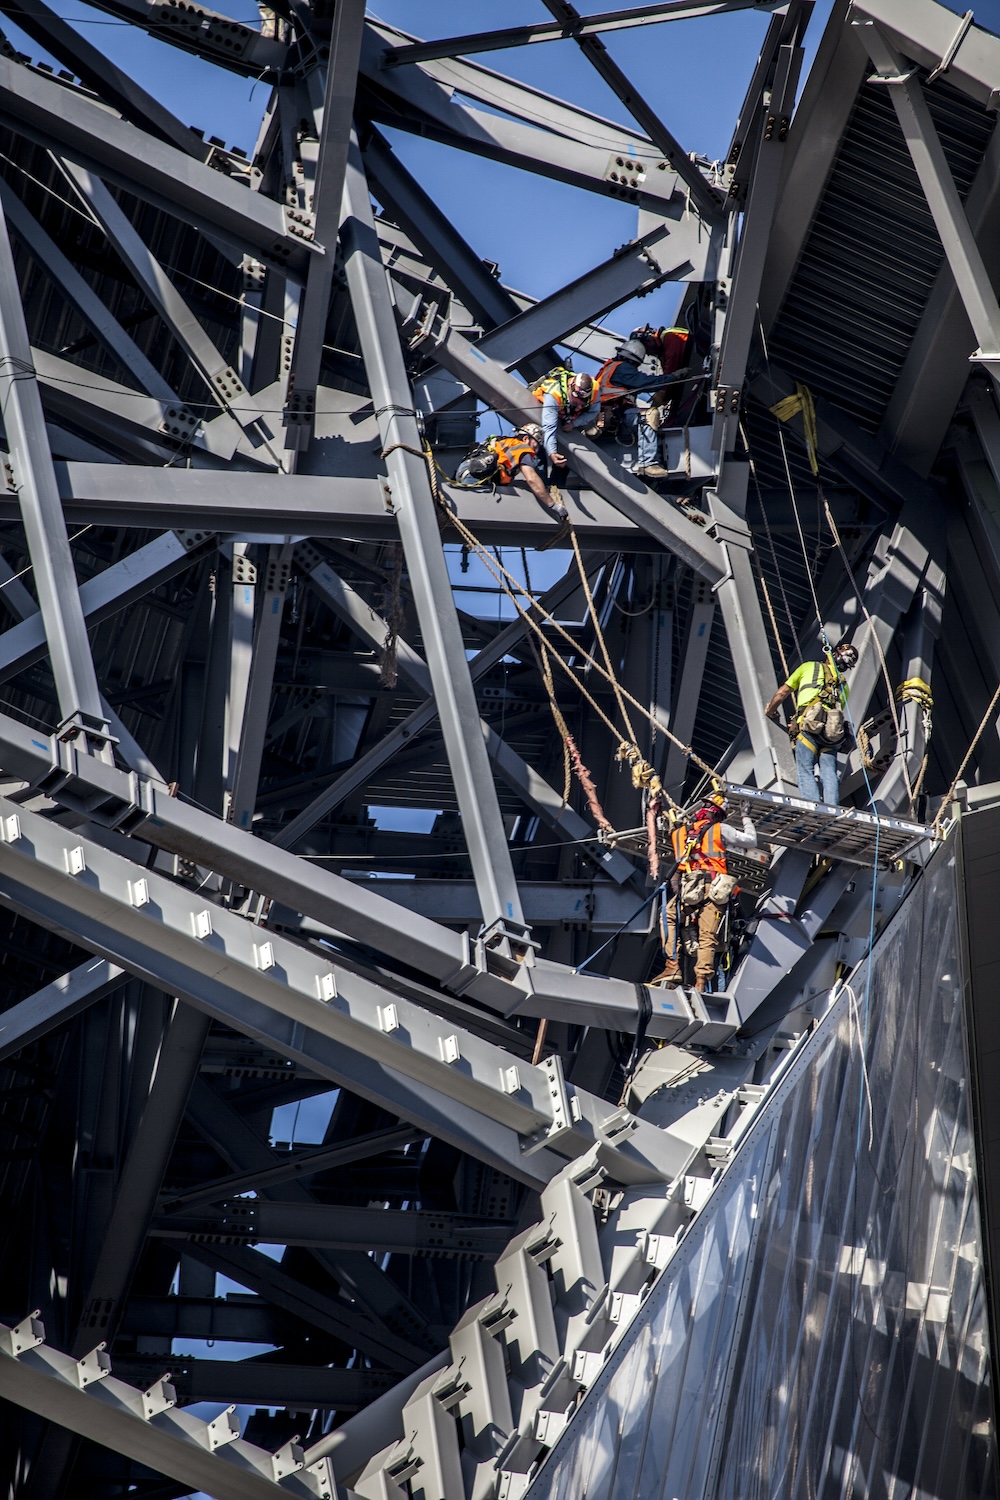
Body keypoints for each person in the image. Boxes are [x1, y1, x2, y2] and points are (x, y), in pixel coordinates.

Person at [652, 793, 758, 992]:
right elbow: (751, 841)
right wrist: (745, 817)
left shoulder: (680, 833)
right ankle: (700, 982)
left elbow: (679, 867)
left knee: (668, 915)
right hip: (713, 887)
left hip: (689, 888)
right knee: (708, 935)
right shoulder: (720, 829)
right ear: (718, 814)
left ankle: (672, 966)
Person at [764, 642, 860, 805]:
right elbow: (833, 711)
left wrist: (770, 710)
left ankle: (813, 805)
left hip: (809, 727)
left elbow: (782, 693)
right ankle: (832, 807)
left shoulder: (808, 667)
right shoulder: (844, 686)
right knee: (829, 771)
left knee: (805, 769)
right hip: (831, 734)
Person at [589, 338, 699, 479]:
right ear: (635, 360)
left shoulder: (608, 367)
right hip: (615, 416)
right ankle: (648, 463)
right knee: (649, 415)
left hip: (604, 416)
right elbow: (648, 383)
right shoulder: (623, 369)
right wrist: (673, 377)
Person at [454, 423, 568, 522]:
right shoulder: (522, 448)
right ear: (526, 439)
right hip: (476, 476)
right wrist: (553, 505)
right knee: (472, 516)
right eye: (536, 445)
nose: (536, 450)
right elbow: (532, 479)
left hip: (467, 471)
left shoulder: (507, 444)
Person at [529, 369, 600, 479]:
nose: (578, 402)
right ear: (570, 387)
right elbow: (549, 428)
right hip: (544, 413)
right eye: (576, 398)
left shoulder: (594, 390)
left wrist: (574, 423)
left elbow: (593, 412)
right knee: (541, 444)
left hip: (568, 417)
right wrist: (552, 452)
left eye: (582, 400)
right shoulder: (553, 395)